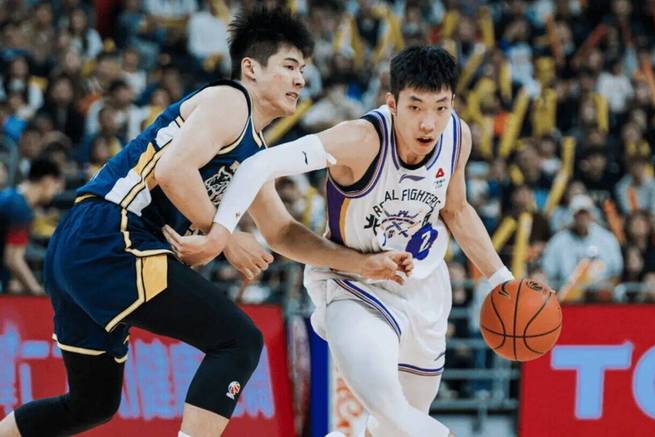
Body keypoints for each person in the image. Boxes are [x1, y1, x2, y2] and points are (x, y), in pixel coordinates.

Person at [0, 8, 411, 437]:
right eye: (290, 67)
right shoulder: (230, 100)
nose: (300, 80)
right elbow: (173, 170)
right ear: (251, 68)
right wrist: (225, 238)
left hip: (82, 247)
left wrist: (362, 263)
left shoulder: (255, 152)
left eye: (303, 71)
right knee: (238, 340)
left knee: (91, 404)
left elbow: (282, 232)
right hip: (109, 231)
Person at [170, 46, 516, 437]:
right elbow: (257, 164)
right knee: (391, 408)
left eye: (440, 108)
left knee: (394, 429)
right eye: (415, 107)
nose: (428, 123)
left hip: (424, 289)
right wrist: (221, 233)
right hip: (353, 285)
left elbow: (457, 210)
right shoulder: (361, 139)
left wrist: (501, 278)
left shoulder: (457, 136)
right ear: (393, 104)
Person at [0, 158, 63, 295]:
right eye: (56, 188)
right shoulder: (19, 207)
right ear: (47, 181)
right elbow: (13, 259)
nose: (55, 194)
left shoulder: (10, 197)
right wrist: (36, 291)